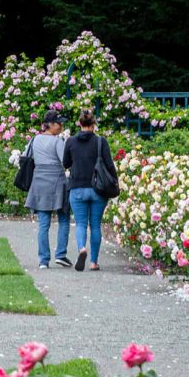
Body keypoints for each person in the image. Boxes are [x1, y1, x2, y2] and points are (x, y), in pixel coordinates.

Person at [62, 109, 117, 272]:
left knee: (80, 223)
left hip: (77, 188)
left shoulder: (71, 141)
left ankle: (81, 249)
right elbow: (109, 165)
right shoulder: (101, 142)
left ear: (79, 124)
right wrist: (114, 183)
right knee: (95, 225)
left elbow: (66, 163)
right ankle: (93, 262)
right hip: (98, 189)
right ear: (93, 125)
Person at [22, 111, 73, 268]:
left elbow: (24, 156)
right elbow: (65, 161)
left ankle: (43, 260)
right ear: (50, 125)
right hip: (57, 182)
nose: (61, 126)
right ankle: (61, 255)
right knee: (64, 219)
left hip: (39, 182)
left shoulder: (34, 140)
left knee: (43, 223)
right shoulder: (57, 142)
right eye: (58, 123)